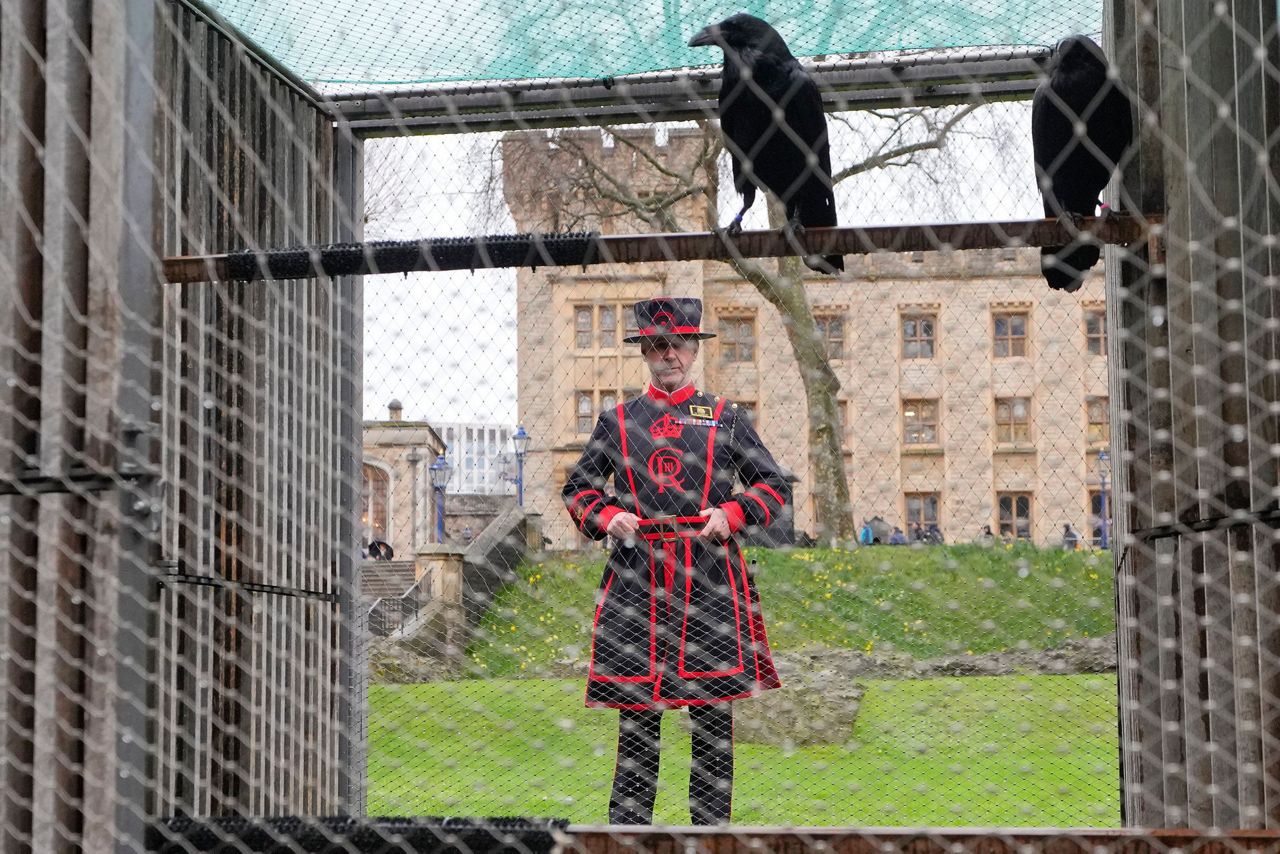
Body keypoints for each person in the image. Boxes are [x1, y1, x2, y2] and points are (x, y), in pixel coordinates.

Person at [562, 296, 789, 826]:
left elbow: (772, 485)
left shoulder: (726, 417)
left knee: (712, 723)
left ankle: (712, 838)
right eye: (659, 345)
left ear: (693, 348)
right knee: (637, 725)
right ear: (644, 350)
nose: (670, 354)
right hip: (638, 577)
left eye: (680, 344)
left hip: (709, 578)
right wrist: (608, 516)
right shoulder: (617, 421)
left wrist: (733, 513)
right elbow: (578, 490)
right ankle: (628, 837)